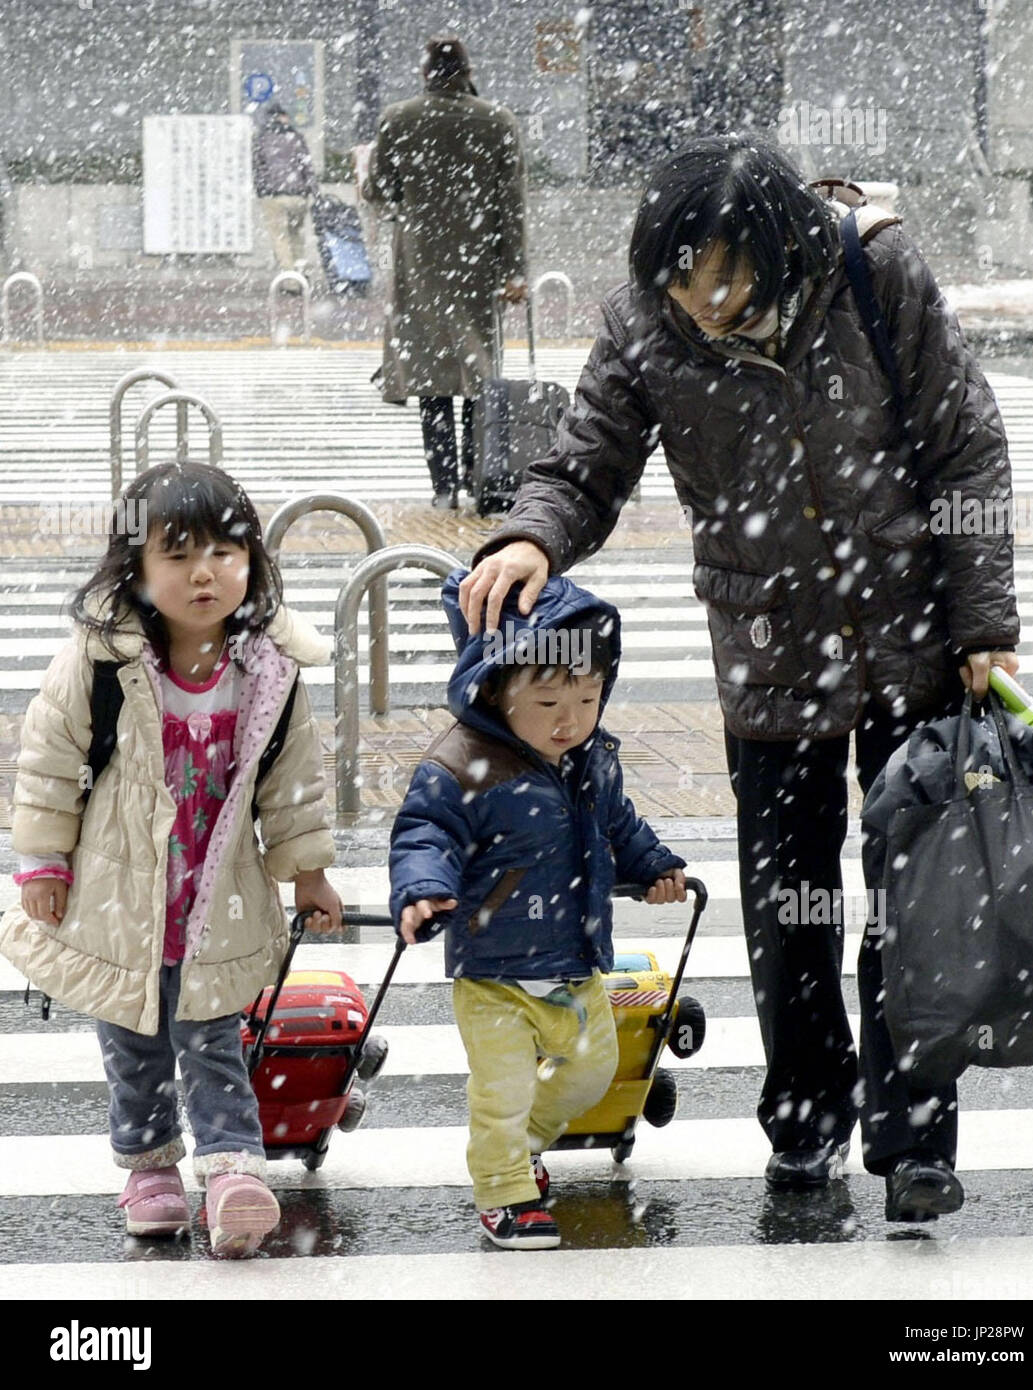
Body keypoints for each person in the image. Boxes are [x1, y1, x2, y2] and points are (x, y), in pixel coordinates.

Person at [458, 135, 1022, 1223]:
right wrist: (530, 536)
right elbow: (586, 463)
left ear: (781, 248)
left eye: (727, 274)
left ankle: (913, 1137)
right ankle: (808, 1118)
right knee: (790, 907)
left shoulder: (874, 273)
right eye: (681, 274)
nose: (703, 301)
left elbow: (967, 445)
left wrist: (983, 620)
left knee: (916, 900)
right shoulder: (641, 322)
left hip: (910, 642)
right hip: (769, 652)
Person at [0, 462, 343, 1257]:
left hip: (213, 893)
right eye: (179, 553)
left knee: (212, 1034)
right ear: (137, 567)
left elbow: (290, 780)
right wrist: (43, 864)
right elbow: (49, 762)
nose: (205, 573)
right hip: (122, 895)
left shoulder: (266, 669)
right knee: (131, 1038)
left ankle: (232, 1169)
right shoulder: (102, 662)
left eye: (226, 551)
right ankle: (149, 1165)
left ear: (252, 561)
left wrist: (308, 870)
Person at [389, 571, 687, 1249]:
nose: (571, 719)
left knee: (590, 1070)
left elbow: (620, 825)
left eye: (588, 698)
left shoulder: (591, 759)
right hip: (493, 969)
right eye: (549, 700)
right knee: (501, 1089)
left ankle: (518, 1146)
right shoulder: (461, 766)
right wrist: (422, 889)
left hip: (571, 959)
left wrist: (654, 866)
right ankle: (503, 1190)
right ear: (494, 691)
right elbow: (423, 833)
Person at [362, 36, 528, 509]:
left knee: (432, 381)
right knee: (479, 378)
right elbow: (511, 204)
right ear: (468, 71)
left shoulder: (399, 119)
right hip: (480, 263)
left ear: (426, 72)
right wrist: (515, 270)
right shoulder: (498, 121)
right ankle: (482, 479)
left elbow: (381, 190)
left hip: (421, 265)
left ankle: (443, 488)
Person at [253, 104, 317, 275]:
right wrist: (313, 191)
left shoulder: (262, 139)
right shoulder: (296, 137)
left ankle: (290, 280)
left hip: (274, 196)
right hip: (298, 196)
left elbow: (258, 168)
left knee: (280, 239)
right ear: (283, 117)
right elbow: (307, 167)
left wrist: (261, 191)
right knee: (296, 236)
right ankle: (301, 274)